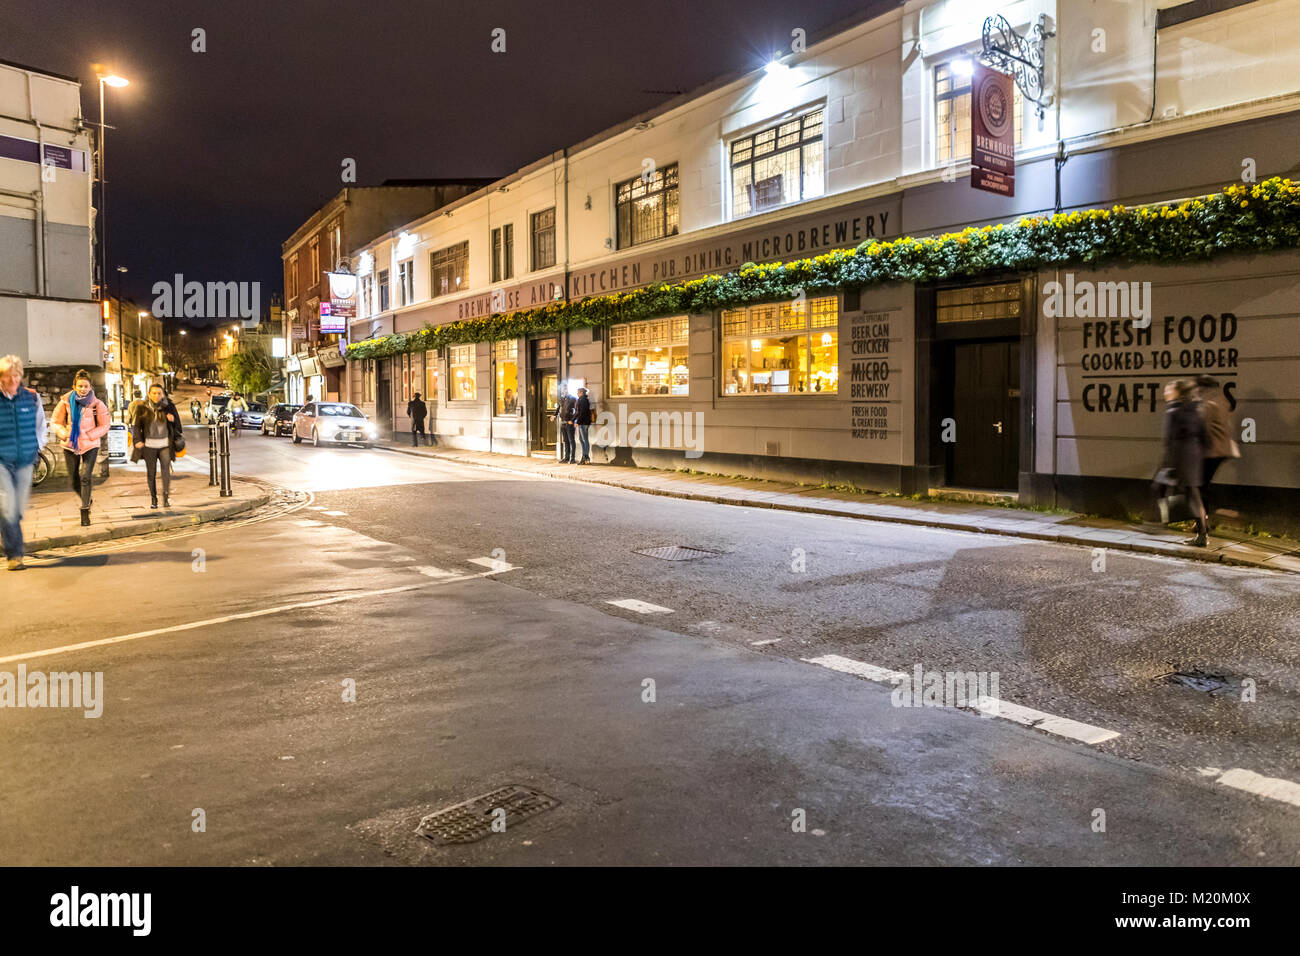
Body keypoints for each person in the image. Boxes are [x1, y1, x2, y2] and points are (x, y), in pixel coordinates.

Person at [0, 355, 46, 570]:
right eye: (9, 376)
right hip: (2, 461)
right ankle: (14, 555)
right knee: (9, 507)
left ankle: (11, 540)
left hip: (25, 460)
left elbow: (40, 425)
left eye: (17, 375)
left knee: (15, 509)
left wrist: (38, 447)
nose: (13, 380)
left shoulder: (32, 398)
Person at [50, 369, 110, 527]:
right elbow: (55, 421)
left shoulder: (97, 404)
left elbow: (105, 425)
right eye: (80, 386)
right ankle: (87, 499)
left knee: (85, 476)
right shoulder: (65, 401)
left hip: (90, 444)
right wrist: (63, 433)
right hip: (71, 444)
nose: (83, 389)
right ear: (74, 386)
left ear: (90, 387)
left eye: (86, 386)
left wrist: (91, 435)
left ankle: (84, 511)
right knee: (73, 480)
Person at [1156, 379, 1209, 548]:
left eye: (1169, 389)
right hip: (1194, 456)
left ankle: (1201, 535)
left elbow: (1169, 440)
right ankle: (1202, 531)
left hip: (1180, 457)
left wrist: (1169, 465)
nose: (1166, 392)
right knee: (1193, 494)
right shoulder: (1196, 409)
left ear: (1178, 393)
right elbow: (1204, 435)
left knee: (1189, 495)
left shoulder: (1174, 411)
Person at [1196, 375, 1240, 515]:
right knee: (1201, 484)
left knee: (1197, 486)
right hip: (1222, 449)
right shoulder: (1222, 400)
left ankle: (1202, 525)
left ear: (1202, 387)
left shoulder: (1207, 403)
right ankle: (1203, 521)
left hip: (1211, 450)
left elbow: (1202, 428)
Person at [131, 383, 177, 509]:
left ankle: (166, 497)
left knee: (165, 472)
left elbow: (178, 426)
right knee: (151, 473)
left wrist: (172, 420)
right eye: (154, 393)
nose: (157, 396)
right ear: (149, 394)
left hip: (165, 445)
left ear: (163, 394)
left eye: (159, 393)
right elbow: (136, 426)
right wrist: (137, 440)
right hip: (149, 446)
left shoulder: (169, 407)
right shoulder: (142, 408)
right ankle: (154, 499)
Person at [552, 383, 576, 463]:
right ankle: (566, 458)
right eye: (563, 389)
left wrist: (572, 420)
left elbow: (577, 411)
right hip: (562, 422)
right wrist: (554, 415)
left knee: (571, 440)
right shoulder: (561, 399)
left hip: (569, 423)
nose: (564, 390)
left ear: (568, 389)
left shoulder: (573, 398)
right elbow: (558, 408)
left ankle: (572, 458)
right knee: (566, 441)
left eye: (565, 389)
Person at [574, 386, 593, 464]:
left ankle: (586, 457)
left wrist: (577, 422)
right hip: (583, 422)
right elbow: (579, 412)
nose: (577, 394)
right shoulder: (582, 400)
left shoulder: (583, 400)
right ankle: (584, 457)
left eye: (578, 392)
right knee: (582, 440)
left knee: (584, 440)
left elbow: (582, 412)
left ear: (581, 393)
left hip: (583, 423)